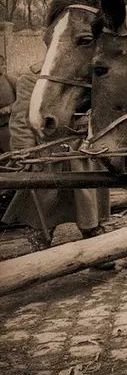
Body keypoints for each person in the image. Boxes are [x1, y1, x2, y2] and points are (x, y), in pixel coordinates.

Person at [3, 62, 113, 259]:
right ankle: (40, 246)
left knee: (88, 204)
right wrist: (24, 150)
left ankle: (96, 247)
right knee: (42, 209)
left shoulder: (88, 70)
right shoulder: (32, 77)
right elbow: (21, 119)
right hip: (46, 152)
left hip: (80, 148)